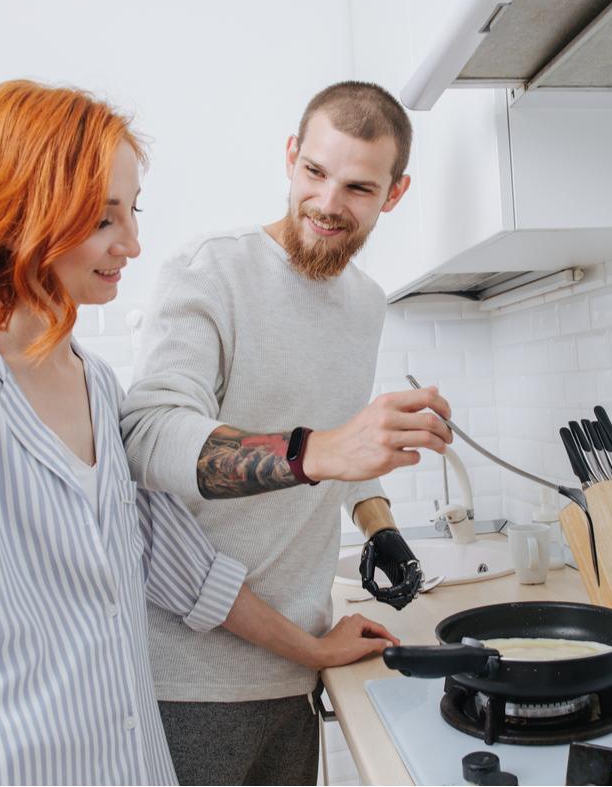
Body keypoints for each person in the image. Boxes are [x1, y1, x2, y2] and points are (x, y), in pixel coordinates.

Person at [0, 80, 396, 786]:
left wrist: (313, 647)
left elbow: (186, 571)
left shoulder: (95, 387)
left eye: (132, 211)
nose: (135, 243)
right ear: (28, 211)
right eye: (105, 218)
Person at [120, 81, 452, 785]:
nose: (329, 204)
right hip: (190, 677)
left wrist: (379, 523)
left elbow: (346, 445)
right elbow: (149, 436)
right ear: (291, 156)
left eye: (359, 187)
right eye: (315, 172)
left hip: (298, 657)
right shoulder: (210, 270)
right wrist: (319, 450)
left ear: (394, 194)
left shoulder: (365, 303)